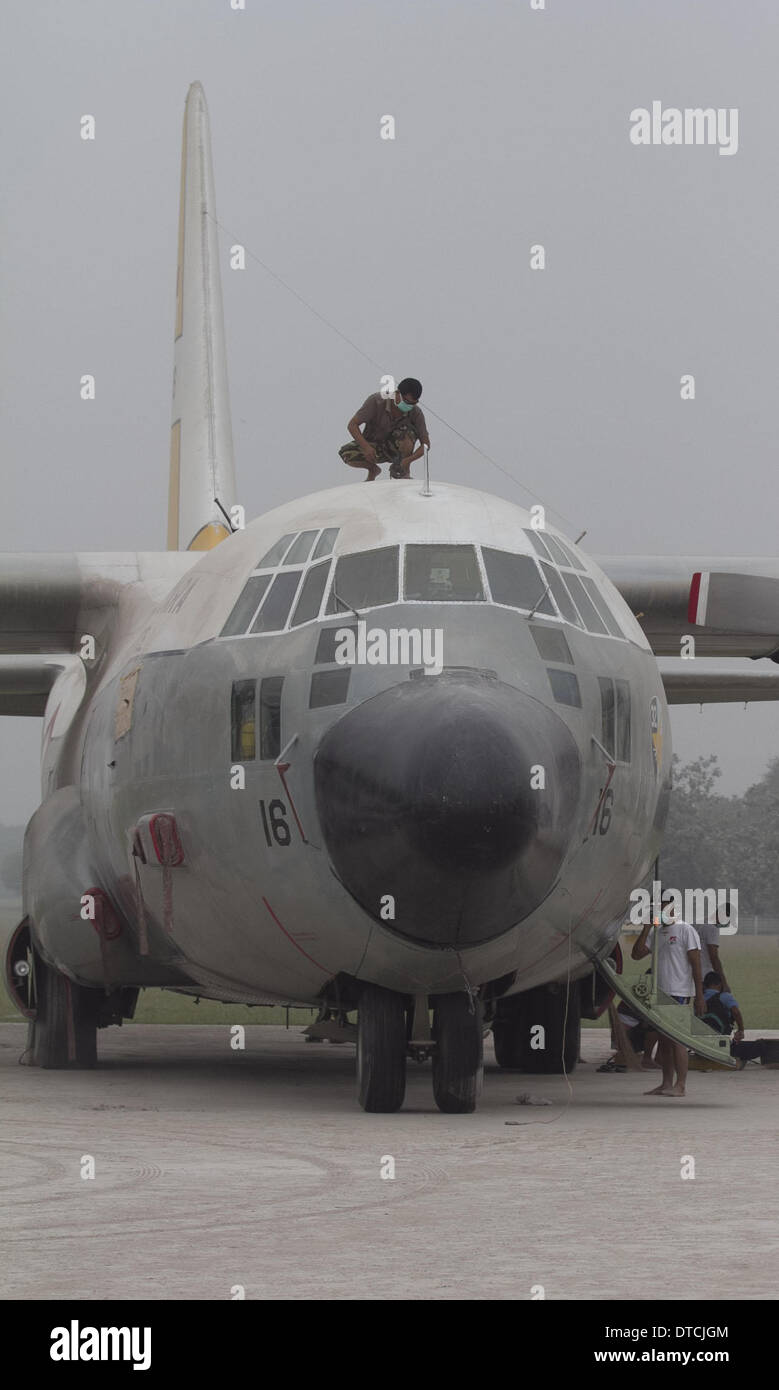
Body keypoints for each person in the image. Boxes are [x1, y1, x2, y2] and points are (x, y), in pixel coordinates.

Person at [631, 902, 704, 1097]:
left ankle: (681, 1085)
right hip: (659, 993)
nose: (659, 913)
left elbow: (696, 964)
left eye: (663, 909)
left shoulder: (685, 930)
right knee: (663, 1041)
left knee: (677, 1040)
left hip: (678, 992)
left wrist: (699, 996)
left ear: (673, 909)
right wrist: (646, 928)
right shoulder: (656, 933)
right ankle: (665, 1083)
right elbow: (636, 955)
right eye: (656, 910)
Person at [339, 378, 430, 481]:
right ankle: (373, 470)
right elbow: (352, 425)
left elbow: (425, 445)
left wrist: (408, 460)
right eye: (406, 401)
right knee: (347, 453)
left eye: (412, 403)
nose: (408, 405)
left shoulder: (416, 413)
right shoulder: (377, 401)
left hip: (397, 452)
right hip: (373, 448)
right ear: (397, 393)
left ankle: (404, 473)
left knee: (407, 434)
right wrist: (366, 447)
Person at [699, 897, 732, 990]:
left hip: (694, 973)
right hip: (706, 976)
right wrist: (724, 982)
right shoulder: (712, 929)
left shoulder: (700, 923)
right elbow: (714, 957)